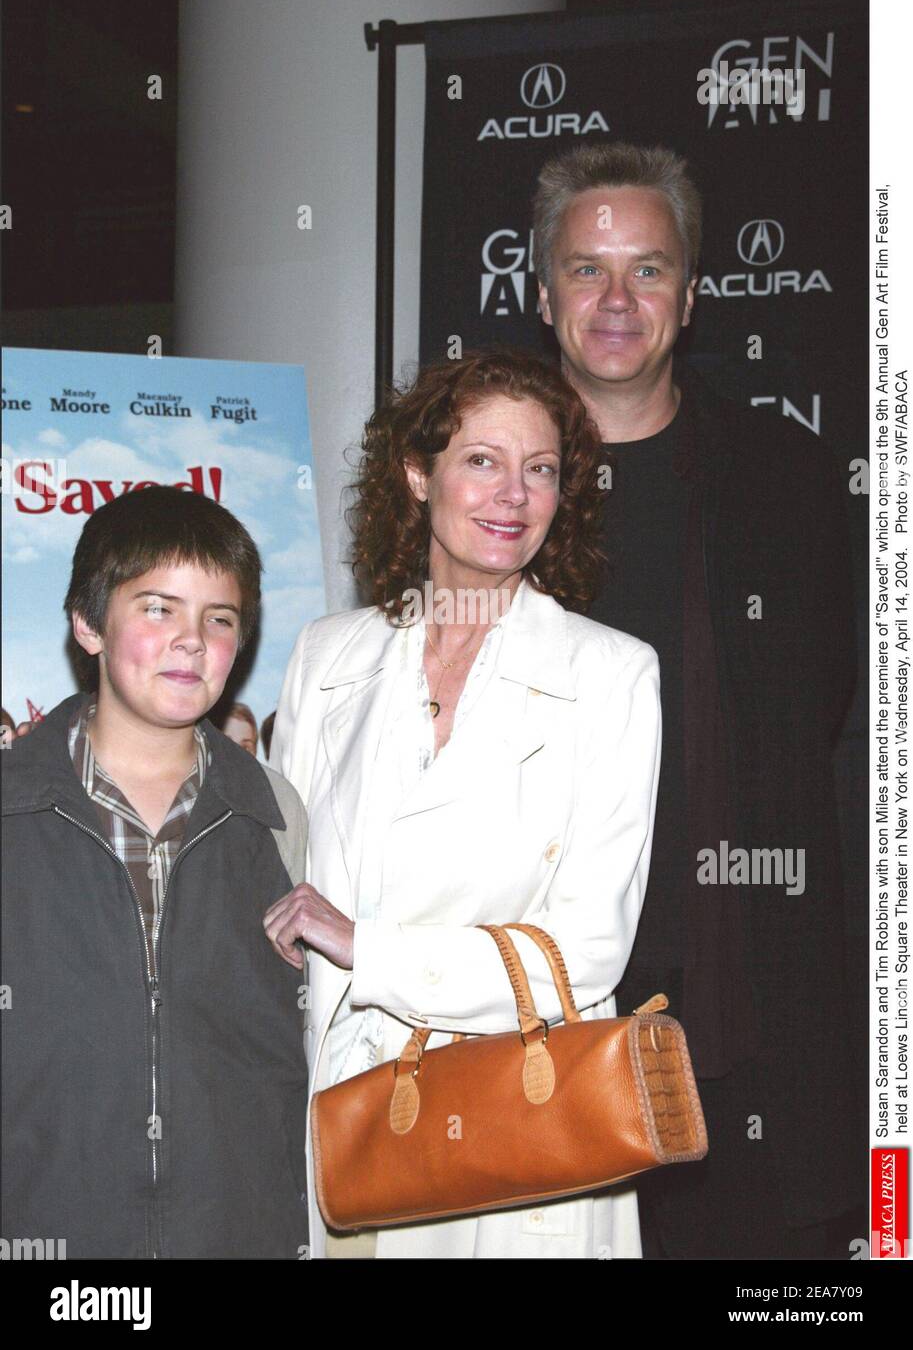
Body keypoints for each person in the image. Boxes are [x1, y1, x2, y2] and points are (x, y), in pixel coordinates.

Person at [532, 140, 864, 1259]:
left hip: (746, 1011)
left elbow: (823, 707)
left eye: (648, 270)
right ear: (541, 294)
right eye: (586, 270)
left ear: (691, 291)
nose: (617, 299)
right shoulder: (485, 486)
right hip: (539, 1018)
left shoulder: (784, 474)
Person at [265, 348, 662, 1259]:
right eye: (482, 460)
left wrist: (371, 948)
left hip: (518, 1130)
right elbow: (285, 901)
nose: (512, 495)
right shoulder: (327, 657)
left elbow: (585, 955)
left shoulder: (610, 673)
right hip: (351, 1122)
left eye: (541, 470)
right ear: (418, 473)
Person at [1, 485, 310, 1258]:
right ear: (87, 623)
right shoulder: (11, 808)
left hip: (237, 1231)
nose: (190, 641)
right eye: (158, 608)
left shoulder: (276, 814)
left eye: (220, 618)